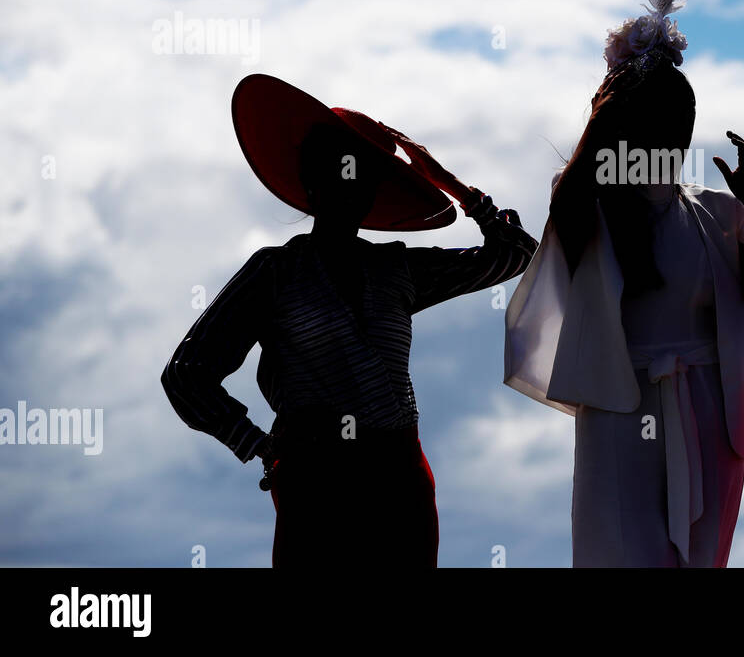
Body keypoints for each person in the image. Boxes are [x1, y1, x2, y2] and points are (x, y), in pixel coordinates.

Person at [504, 0, 744, 567]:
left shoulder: (715, 214)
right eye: (663, 119)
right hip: (621, 419)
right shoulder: (589, 205)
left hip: (705, 416)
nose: (676, 135)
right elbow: (574, 193)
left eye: (684, 119)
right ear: (628, 127)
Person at [161, 73, 537, 568]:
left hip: (400, 485)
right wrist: (258, 446)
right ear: (311, 181)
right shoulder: (273, 274)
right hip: (315, 486)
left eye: (361, 176)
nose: (349, 186)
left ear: (373, 193)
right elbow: (187, 374)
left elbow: (514, 253)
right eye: (338, 171)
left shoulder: (399, 269)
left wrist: (456, 188)